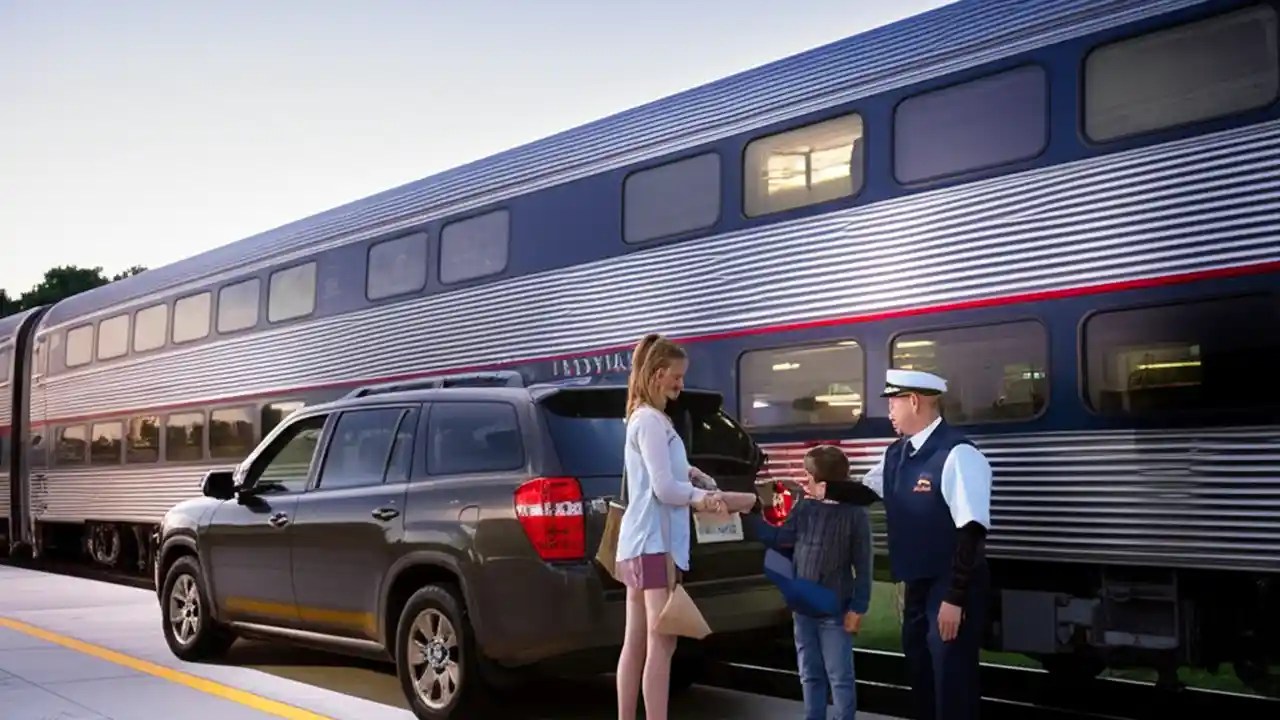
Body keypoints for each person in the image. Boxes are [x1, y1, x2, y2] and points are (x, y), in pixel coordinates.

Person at [809, 368, 993, 720]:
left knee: (951, 674)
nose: (889, 412)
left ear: (914, 402)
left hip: (949, 583)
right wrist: (824, 490)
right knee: (921, 669)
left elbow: (971, 529)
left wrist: (955, 597)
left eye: (893, 403)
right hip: (917, 582)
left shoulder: (958, 454)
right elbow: (867, 491)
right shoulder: (897, 453)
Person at [614, 333, 726, 720]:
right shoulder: (650, 420)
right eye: (677, 376)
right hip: (654, 542)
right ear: (659, 374)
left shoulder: (645, 417)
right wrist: (701, 498)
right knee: (662, 642)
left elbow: (657, 474)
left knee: (637, 641)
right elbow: (662, 487)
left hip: (640, 542)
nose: (681, 383)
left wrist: (693, 473)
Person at [750, 444, 873, 720]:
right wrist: (764, 509)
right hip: (803, 610)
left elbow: (864, 565)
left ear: (823, 483)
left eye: (809, 477)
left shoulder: (855, 516)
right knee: (809, 674)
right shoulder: (805, 508)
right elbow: (782, 538)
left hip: (835, 610)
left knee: (840, 676)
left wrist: (858, 607)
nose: (805, 482)